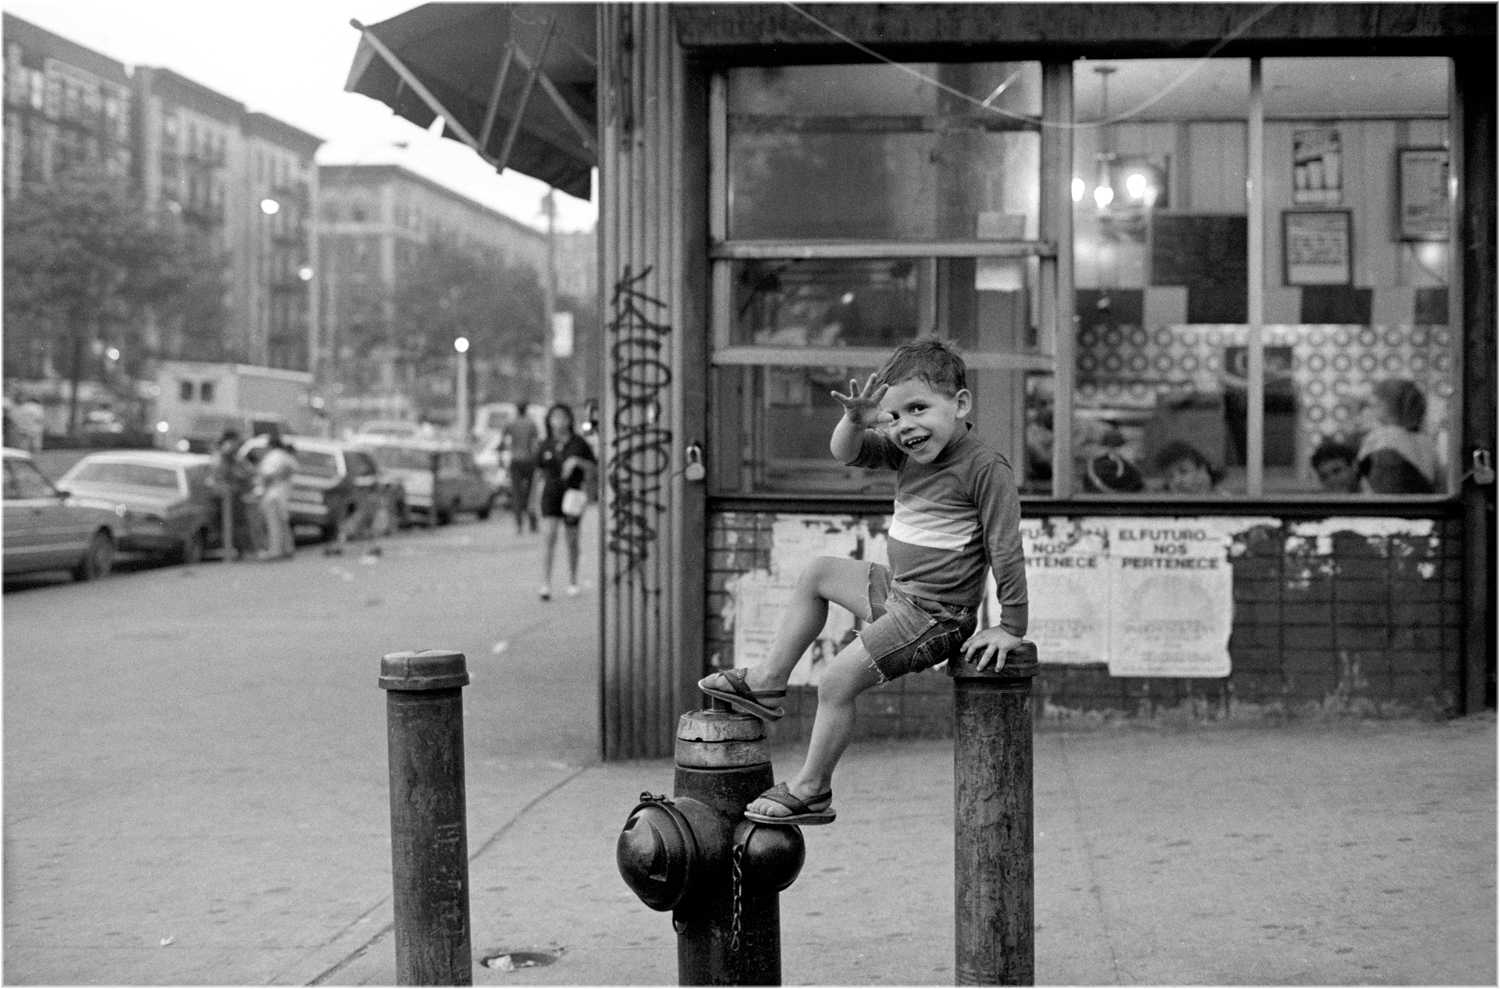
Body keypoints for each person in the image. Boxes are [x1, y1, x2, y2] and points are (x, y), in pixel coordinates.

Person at [698, 338, 1028, 826]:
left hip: (936, 617)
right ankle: (768, 683)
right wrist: (855, 420)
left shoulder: (983, 467)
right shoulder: (905, 454)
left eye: (918, 409)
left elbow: (1005, 548)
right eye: (893, 417)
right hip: (899, 593)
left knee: (836, 680)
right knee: (817, 573)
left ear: (959, 404)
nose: (906, 426)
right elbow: (845, 453)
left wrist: (1010, 626)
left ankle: (812, 787)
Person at [536, 403, 597, 600]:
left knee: (572, 539)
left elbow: (594, 467)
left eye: (563, 417)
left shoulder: (579, 443)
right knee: (549, 536)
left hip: (572, 494)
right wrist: (532, 500)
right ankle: (545, 583)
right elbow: (538, 473)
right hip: (550, 494)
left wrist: (577, 462)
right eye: (555, 418)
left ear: (570, 420)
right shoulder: (545, 444)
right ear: (549, 421)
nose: (559, 422)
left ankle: (572, 579)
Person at [1356, 378, 1439, 494]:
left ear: (1384, 405)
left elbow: (1359, 478)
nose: (1370, 410)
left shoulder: (1380, 437)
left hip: (1386, 508)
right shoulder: (1426, 442)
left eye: (1374, 404)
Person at [212, 430, 257, 559]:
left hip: (234, 492)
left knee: (239, 523)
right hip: (229, 493)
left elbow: (245, 471)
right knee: (237, 523)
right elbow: (229, 471)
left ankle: (241, 550)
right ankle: (241, 550)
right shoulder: (226, 452)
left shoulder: (230, 454)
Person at [256, 434, 298, 560]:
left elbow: (268, 474)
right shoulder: (286, 456)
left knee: (273, 524)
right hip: (283, 494)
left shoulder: (273, 456)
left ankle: (276, 551)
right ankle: (287, 548)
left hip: (272, 494)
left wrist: (263, 486)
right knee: (283, 521)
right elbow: (293, 468)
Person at [502, 401, 542, 534]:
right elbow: (536, 443)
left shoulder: (510, 423)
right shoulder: (531, 423)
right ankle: (533, 523)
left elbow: (502, 442)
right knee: (531, 494)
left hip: (515, 461)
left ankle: (519, 524)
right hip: (529, 460)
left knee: (517, 494)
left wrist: (502, 459)